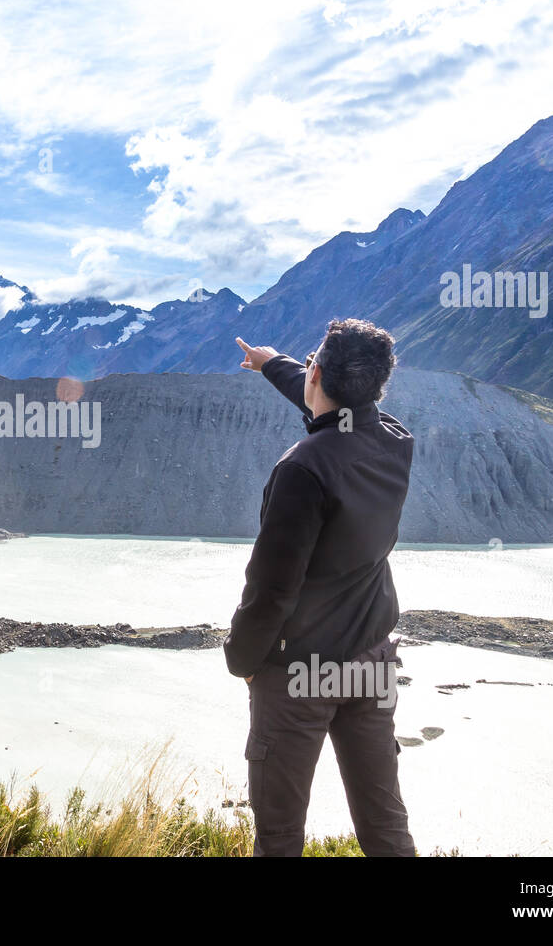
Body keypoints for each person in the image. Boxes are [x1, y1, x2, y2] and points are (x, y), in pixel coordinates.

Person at [227, 318, 416, 857]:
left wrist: (241, 660)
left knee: (281, 838)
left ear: (316, 373)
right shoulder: (395, 441)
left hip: (297, 675)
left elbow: (271, 589)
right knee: (385, 822)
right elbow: (335, 415)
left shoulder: (301, 469)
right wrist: (271, 363)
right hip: (370, 662)